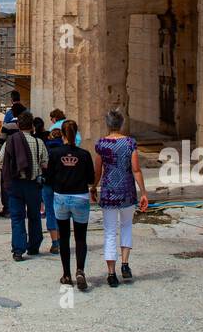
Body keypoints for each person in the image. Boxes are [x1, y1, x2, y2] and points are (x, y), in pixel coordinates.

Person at [92, 110, 148, 288]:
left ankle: (111, 274)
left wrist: (94, 186)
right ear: (121, 124)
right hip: (127, 192)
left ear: (107, 124)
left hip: (109, 192)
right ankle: (125, 264)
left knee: (109, 232)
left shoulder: (101, 144)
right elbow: (136, 169)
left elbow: (98, 170)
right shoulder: (130, 143)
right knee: (126, 227)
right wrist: (144, 192)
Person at [45, 119, 95, 291]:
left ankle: (66, 274)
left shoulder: (55, 153)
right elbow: (91, 179)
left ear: (63, 135)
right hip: (80, 197)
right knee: (80, 237)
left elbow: (49, 178)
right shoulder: (84, 154)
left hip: (61, 198)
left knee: (64, 237)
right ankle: (80, 270)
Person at [3, 113, 49, 261]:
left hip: (16, 184)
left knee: (17, 217)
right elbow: (45, 163)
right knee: (34, 216)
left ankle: (18, 249)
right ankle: (34, 246)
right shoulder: (38, 142)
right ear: (32, 126)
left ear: (18, 126)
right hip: (33, 184)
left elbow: (0, 160)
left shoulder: (10, 141)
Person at [0, 102, 26, 217]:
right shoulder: (25, 126)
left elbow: (1, 140)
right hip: (22, 156)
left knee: (5, 181)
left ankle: (7, 208)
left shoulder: (7, 126)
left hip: (8, 157)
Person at [41, 111, 65, 255]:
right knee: (62, 212)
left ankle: (55, 242)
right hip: (62, 185)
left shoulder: (46, 149)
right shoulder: (65, 150)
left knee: (50, 211)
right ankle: (62, 240)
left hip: (47, 183)